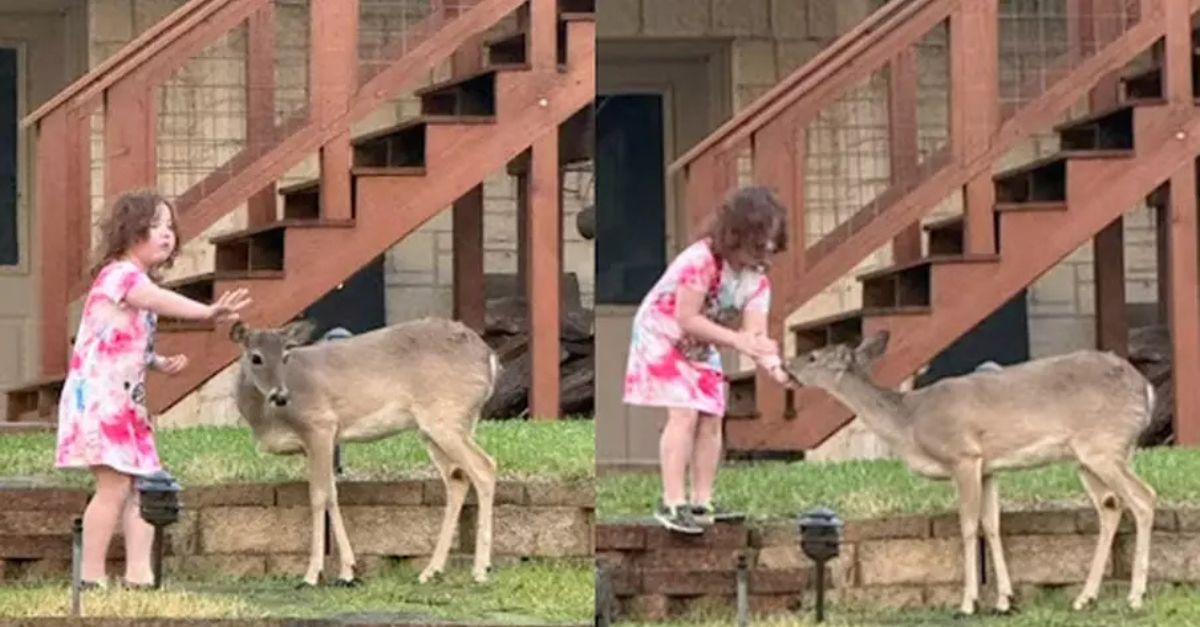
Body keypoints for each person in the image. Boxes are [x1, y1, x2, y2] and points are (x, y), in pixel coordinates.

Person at [54, 189, 252, 589]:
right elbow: (155, 300)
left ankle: (139, 576)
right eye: (155, 226)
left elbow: (123, 340)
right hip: (100, 401)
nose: (167, 235)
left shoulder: (135, 281)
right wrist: (207, 311)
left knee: (145, 483)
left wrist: (158, 361)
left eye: (170, 227)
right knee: (113, 485)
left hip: (126, 403)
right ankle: (90, 577)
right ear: (130, 232)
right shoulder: (120, 275)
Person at [623, 185, 793, 534]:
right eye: (761, 241)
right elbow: (686, 317)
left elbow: (755, 335)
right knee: (683, 411)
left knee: (712, 415)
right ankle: (673, 502)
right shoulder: (700, 261)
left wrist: (776, 368)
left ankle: (702, 502)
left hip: (702, 342)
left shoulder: (757, 281)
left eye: (773, 242)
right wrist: (737, 340)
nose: (768, 250)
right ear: (737, 234)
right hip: (662, 333)